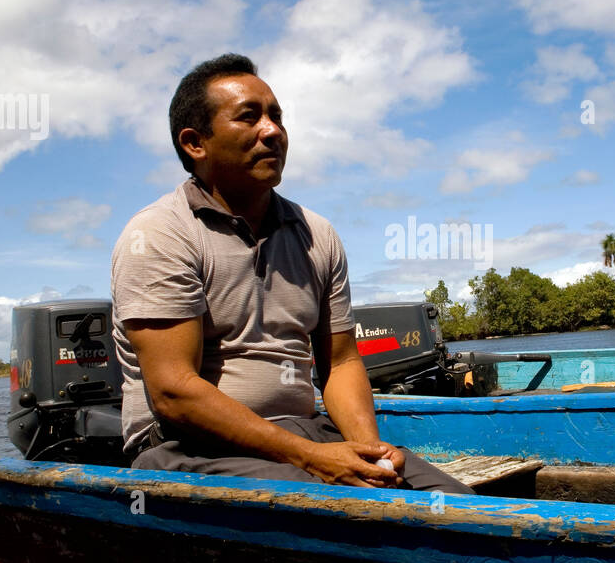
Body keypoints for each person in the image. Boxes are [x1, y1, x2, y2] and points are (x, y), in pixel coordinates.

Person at [110, 53, 473, 494]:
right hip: (186, 447)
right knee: (353, 514)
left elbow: (339, 362)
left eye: (277, 117)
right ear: (194, 143)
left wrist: (368, 453)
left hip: (301, 433)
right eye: (250, 117)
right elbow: (174, 392)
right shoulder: (160, 234)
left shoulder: (315, 234)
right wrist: (314, 459)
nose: (272, 131)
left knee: (458, 504)